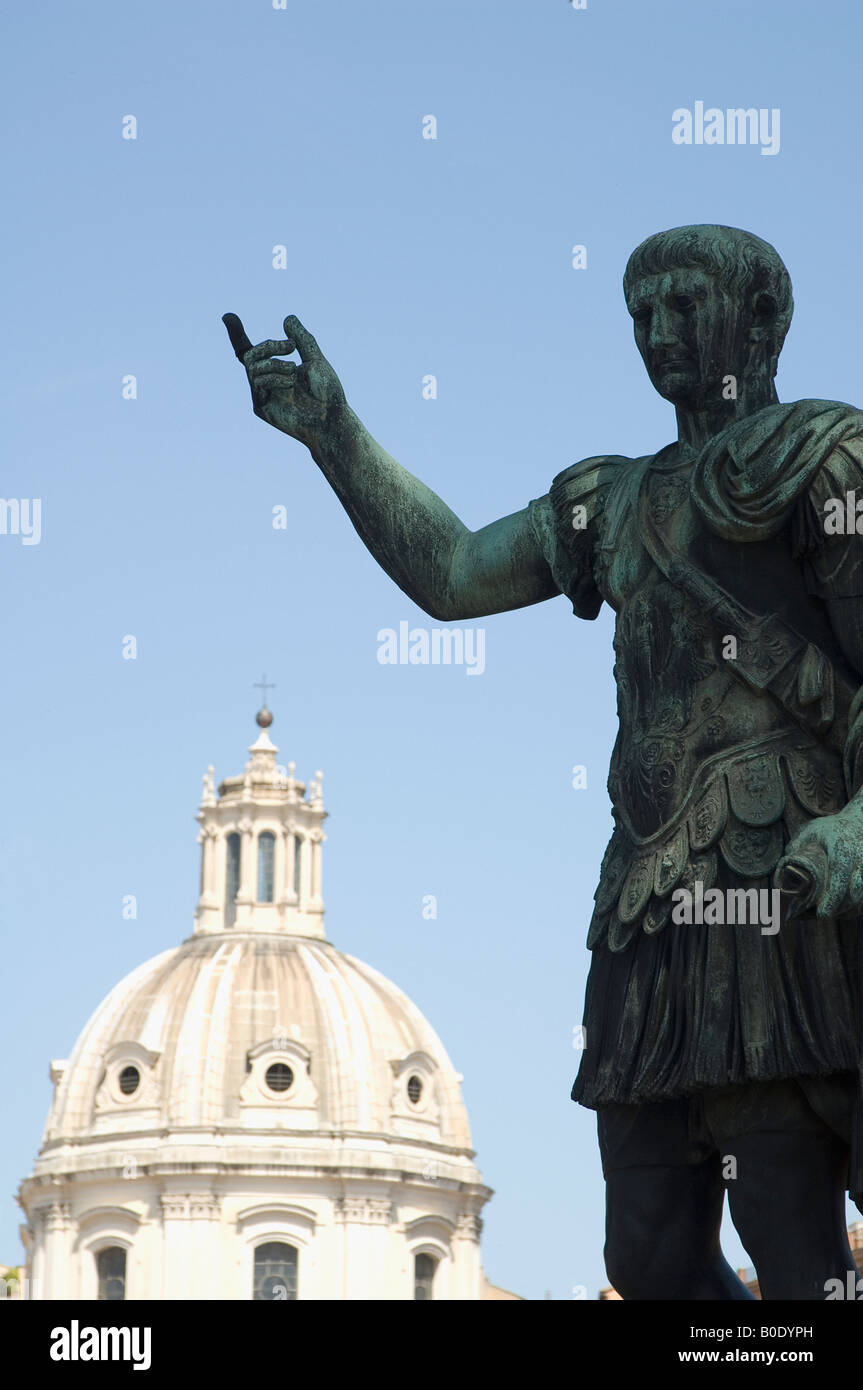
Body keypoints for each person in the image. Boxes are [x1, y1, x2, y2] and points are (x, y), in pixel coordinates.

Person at [224, 225, 863, 1299]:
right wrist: (336, 438)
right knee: (645, 1252)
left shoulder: (821, 457)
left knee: (783, 1220)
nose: (657, 332)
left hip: (774, 876)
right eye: (638, 313)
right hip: (650, 894)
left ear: (757, 322)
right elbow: (454, 571)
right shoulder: (608, 498)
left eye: (681, 305)